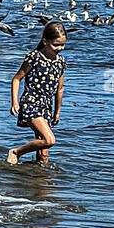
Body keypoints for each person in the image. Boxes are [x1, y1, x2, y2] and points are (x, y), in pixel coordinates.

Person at [7, 22, 67, 166]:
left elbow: (60, 89)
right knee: (49, 140)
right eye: (56, 45)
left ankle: (38, 182)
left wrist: (57, 112)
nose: (60, 49)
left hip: (46, 107)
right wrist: (14, 102)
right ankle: (16, 152)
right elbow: (16, 79)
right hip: (31, 103)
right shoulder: (34, 57)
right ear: (45, 41)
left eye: (62, 45)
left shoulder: (61, 62)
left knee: (44, 155)